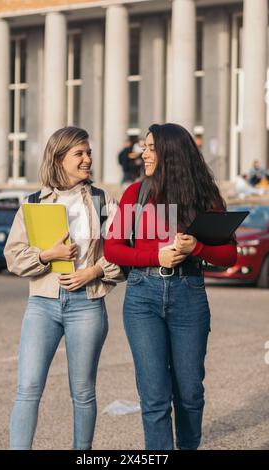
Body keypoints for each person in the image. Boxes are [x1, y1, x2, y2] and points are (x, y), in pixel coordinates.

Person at [104, 123, 237, 450]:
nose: (144, 154)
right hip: (142, 297)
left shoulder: (205, 197)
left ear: (171, 153)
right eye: (144, 147)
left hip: (188, 295)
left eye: (151, 148)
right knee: (154, 396)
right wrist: (155, 255)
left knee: (190, 392)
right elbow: (113, 248)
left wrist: (198, 248)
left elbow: (229, 255)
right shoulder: (135, 194)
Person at [4, 126, 124, 450]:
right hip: (42, 305)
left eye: (89, 152)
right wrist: (47, 255)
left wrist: (94, 271)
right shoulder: (32, 202)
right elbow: (13, 256)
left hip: (87, 304)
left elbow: (123, 255)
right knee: (27, 388)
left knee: (83, 392)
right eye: (79, 153)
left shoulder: (102, 201)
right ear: (59, 158)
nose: (88, 159)